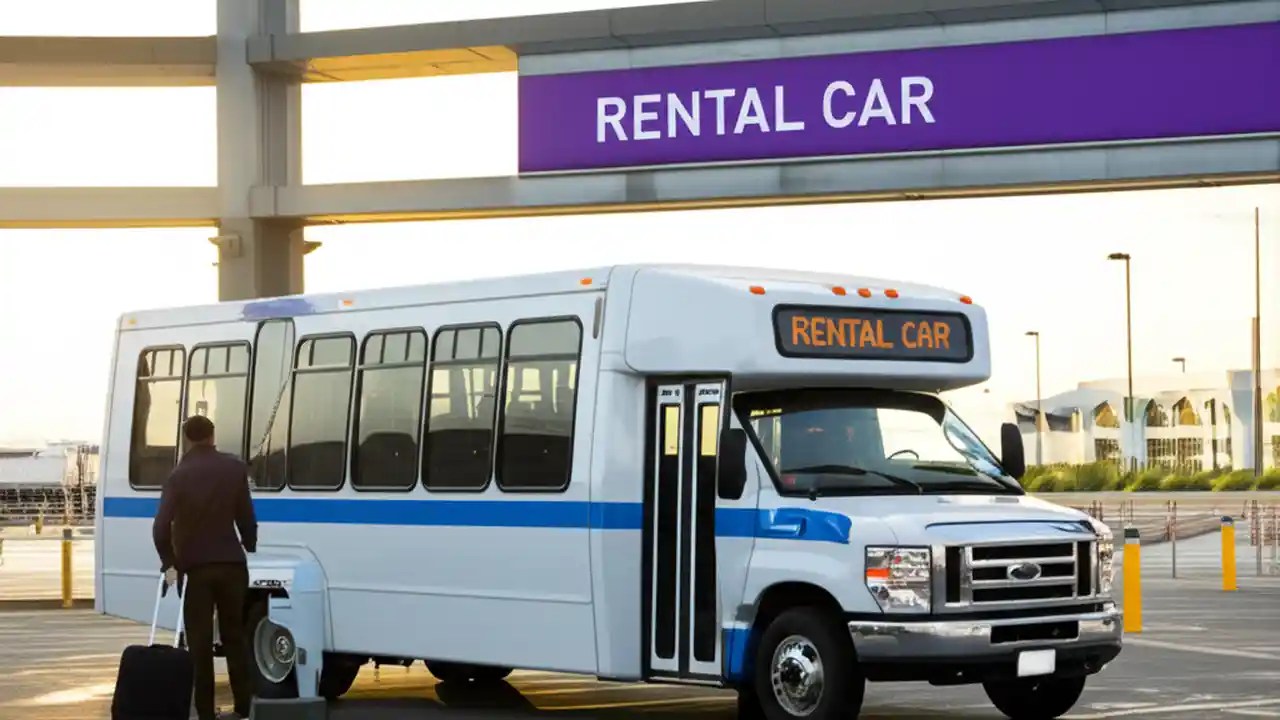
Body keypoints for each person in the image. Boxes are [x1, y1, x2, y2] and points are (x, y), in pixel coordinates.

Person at [153, 415, 258, 720]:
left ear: (187, 438)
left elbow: (160, 528)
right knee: (234, 637)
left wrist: (169, 562)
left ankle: (206, 713)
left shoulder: (178, 475)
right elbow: (246, 517)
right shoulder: (234, 468)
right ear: (213, 436)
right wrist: (249, 543)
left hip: (195, 569)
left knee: (199, 645)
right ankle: (243, 708)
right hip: (231, 566)